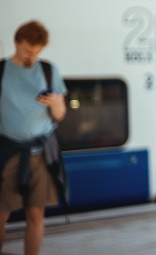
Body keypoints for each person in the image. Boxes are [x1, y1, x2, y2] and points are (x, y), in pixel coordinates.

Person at [0, 20, 68, 255]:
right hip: (7, 152)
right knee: (1, 215)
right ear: (17, 42)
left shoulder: (49, 70)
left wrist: (56, 103)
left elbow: (59, 116)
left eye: (38, 51)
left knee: (36, 213)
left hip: (40, 155)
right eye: (29, 49)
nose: (32, 55)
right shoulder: (2, 70)